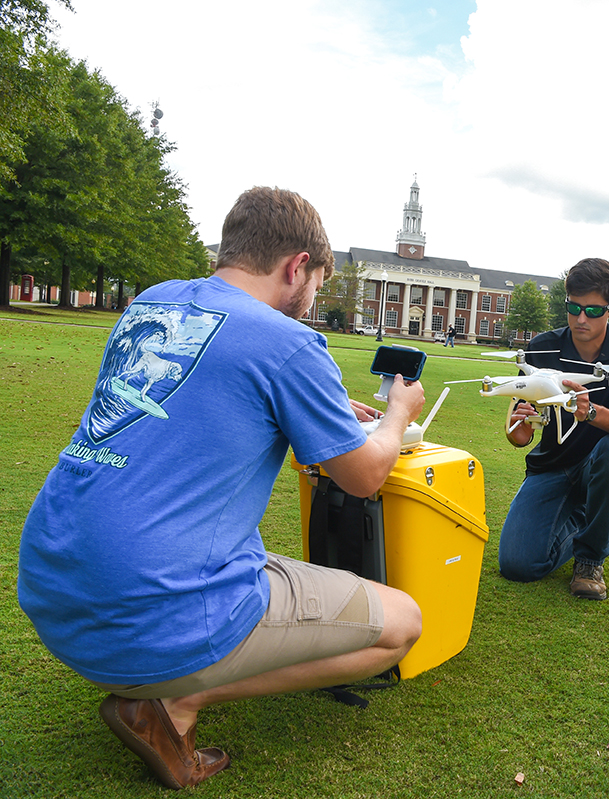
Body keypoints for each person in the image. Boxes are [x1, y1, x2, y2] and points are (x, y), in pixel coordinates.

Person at [17, 187, 426, 789]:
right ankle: (175, 703)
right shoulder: (291, 343)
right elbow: (364, 477)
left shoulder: (152, 304)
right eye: (315, 283)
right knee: (404, 624)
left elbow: (202, 388)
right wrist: (396, 413)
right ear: (296, 267)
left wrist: (327, 408)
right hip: (151, 608)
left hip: (53, 590)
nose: (311, 301)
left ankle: (158, 680)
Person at [497, 258, 609, 601]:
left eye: (593, 311)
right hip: (551, 466)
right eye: (573, 307)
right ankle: (585, 520)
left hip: (603, 462)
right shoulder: (541, 347)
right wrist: (518, 426)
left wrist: (591, 411)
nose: (581, 319)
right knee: (517, 566)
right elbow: (519, 434)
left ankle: (590, 557)